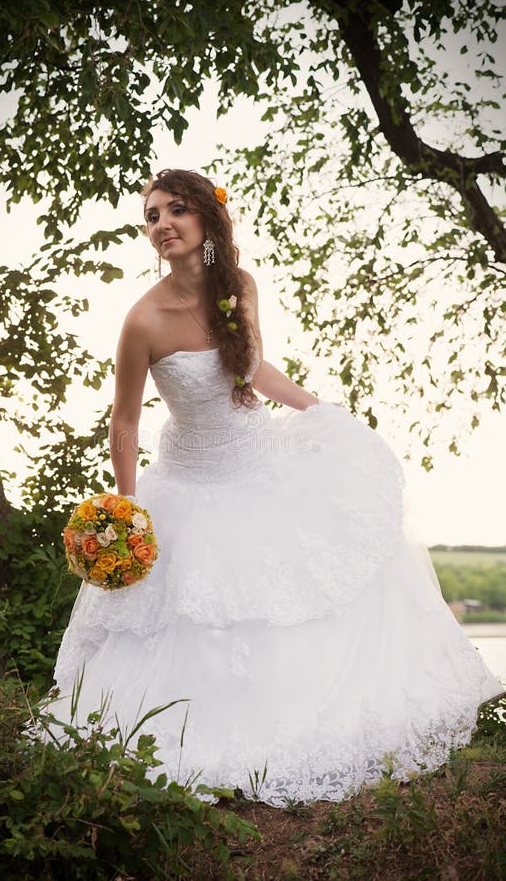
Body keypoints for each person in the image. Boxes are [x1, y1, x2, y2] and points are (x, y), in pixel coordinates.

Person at [48, 169, 503, 807]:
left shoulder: (240, 288)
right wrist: (127, 509)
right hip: (190, 481)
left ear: (206, 219)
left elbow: (253, 366)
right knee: (195, 619)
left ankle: (318, 723)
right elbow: (124, 420)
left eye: (175, 210)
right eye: (151, 216)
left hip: (261, 461)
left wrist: (318, 410)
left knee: (308, 590)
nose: (162, 224)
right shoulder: (142, 321)